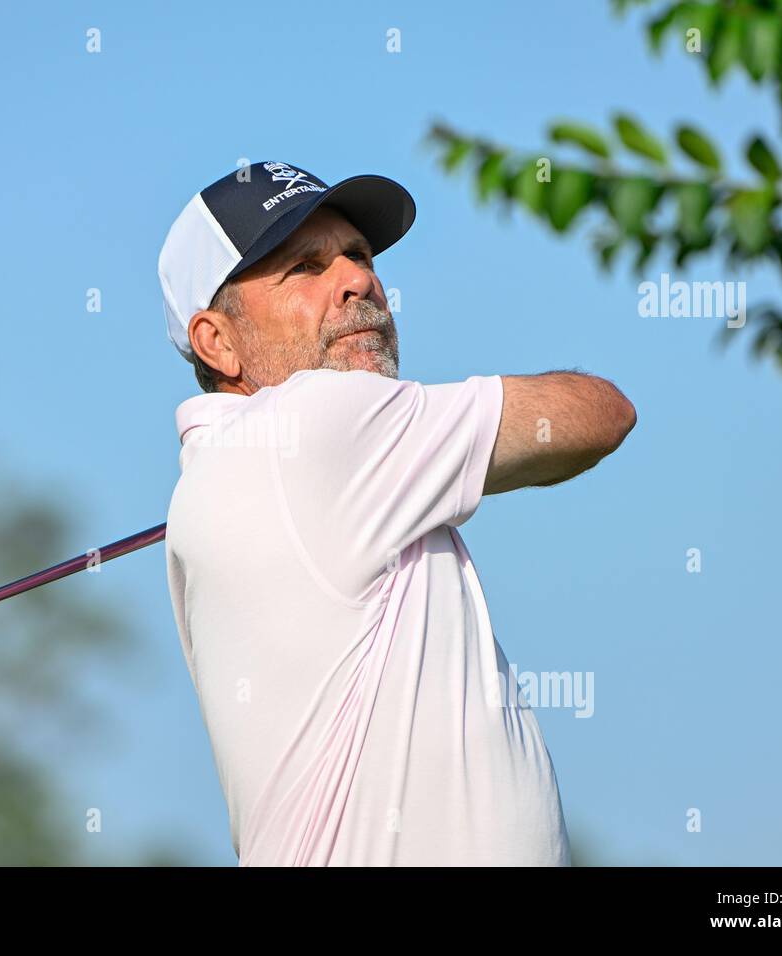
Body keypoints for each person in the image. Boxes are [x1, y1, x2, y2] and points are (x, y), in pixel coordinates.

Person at [158, 161, 635, 866]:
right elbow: (601, 415)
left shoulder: (215, 485)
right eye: (304, 267)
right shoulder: (315, 419)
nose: (357, 280)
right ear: (216, 342)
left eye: (358, 255)